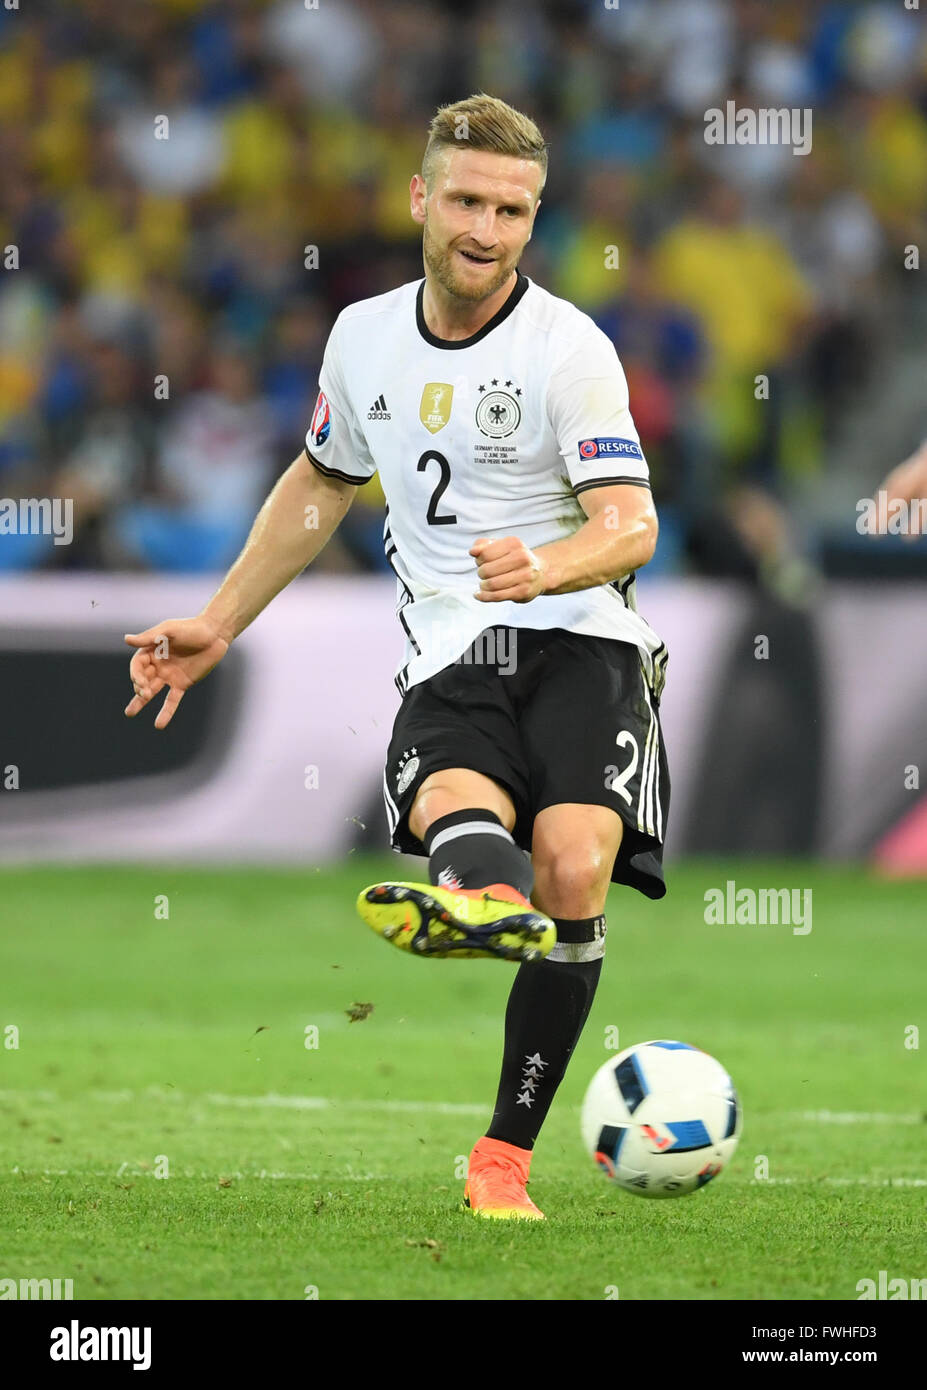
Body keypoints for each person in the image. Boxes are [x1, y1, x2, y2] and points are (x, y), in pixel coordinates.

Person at [124, 94, 669, 1221]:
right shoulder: (362, 336)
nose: (486, 228)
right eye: (466, 200)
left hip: (586, 645)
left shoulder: (570, 348)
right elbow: (322, 482)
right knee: (462, 815)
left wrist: (555, 563)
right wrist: (220, 621)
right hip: (450, 654)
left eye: (511, 210)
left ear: (534, 219)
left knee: (575, 866)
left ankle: (500, 1157)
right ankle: (480, 890)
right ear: (421, 197)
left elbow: (632, 523)